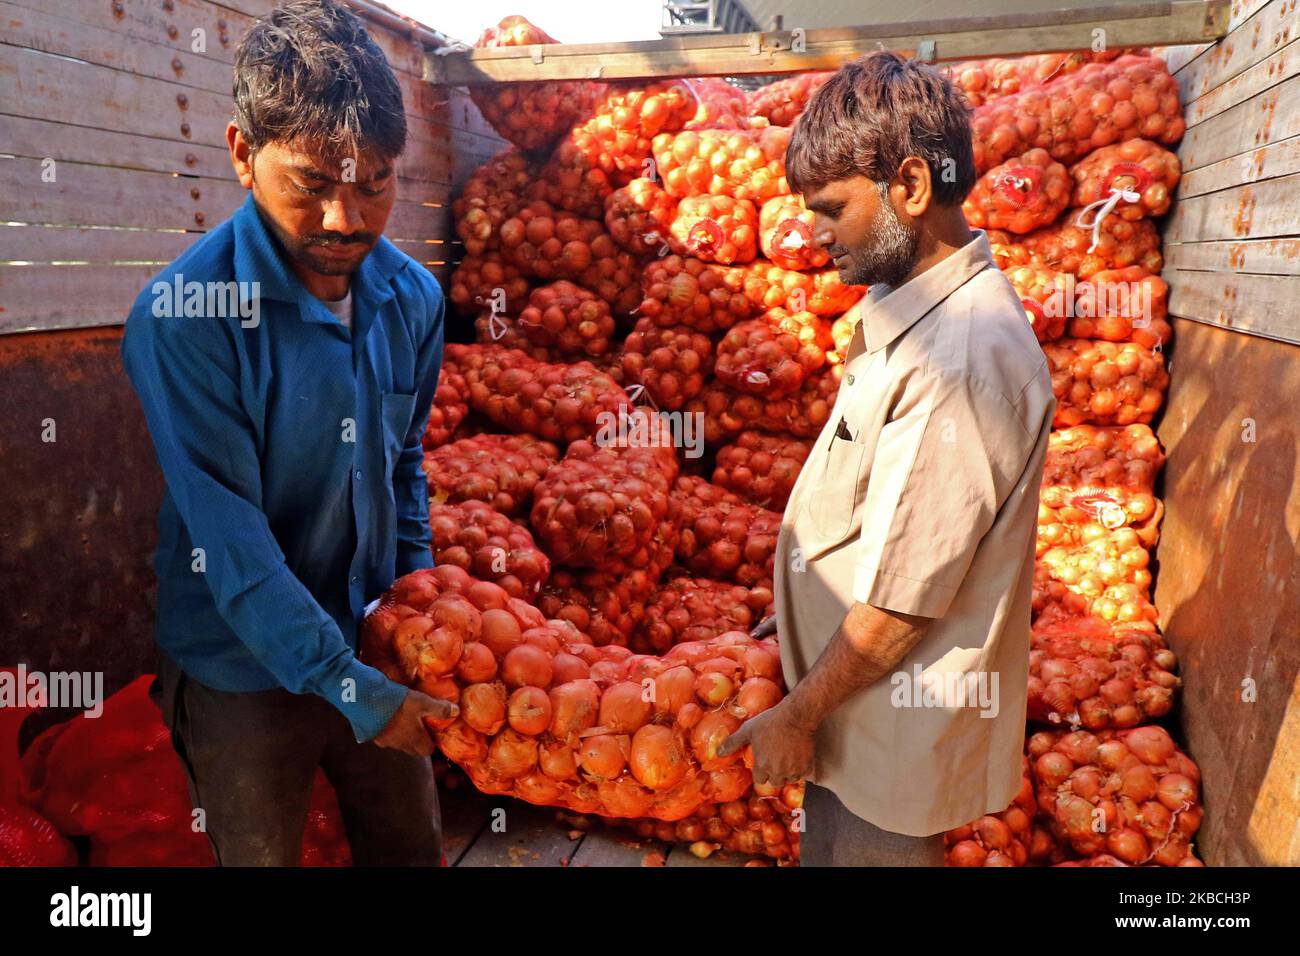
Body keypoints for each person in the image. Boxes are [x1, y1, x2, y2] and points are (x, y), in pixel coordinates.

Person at [120, 0, 454, 866]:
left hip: (374, 640)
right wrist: (353, 689)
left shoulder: (411, 298)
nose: (346, 219)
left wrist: (418, 601)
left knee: (409, 846)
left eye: (374, 183)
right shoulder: (186, 318)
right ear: (241, 152)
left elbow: (404, 461)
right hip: (241, 667)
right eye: (312, 183)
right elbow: (233, 550)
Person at [720, 51, 1056, 866]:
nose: (813, 233)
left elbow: (906, 603)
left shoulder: (963, 357)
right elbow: (881, 518)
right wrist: (807, 606)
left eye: (833, 209)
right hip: (858, 706)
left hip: (892, 730)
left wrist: (797, 714)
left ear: (909, 186)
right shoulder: (909, 319)